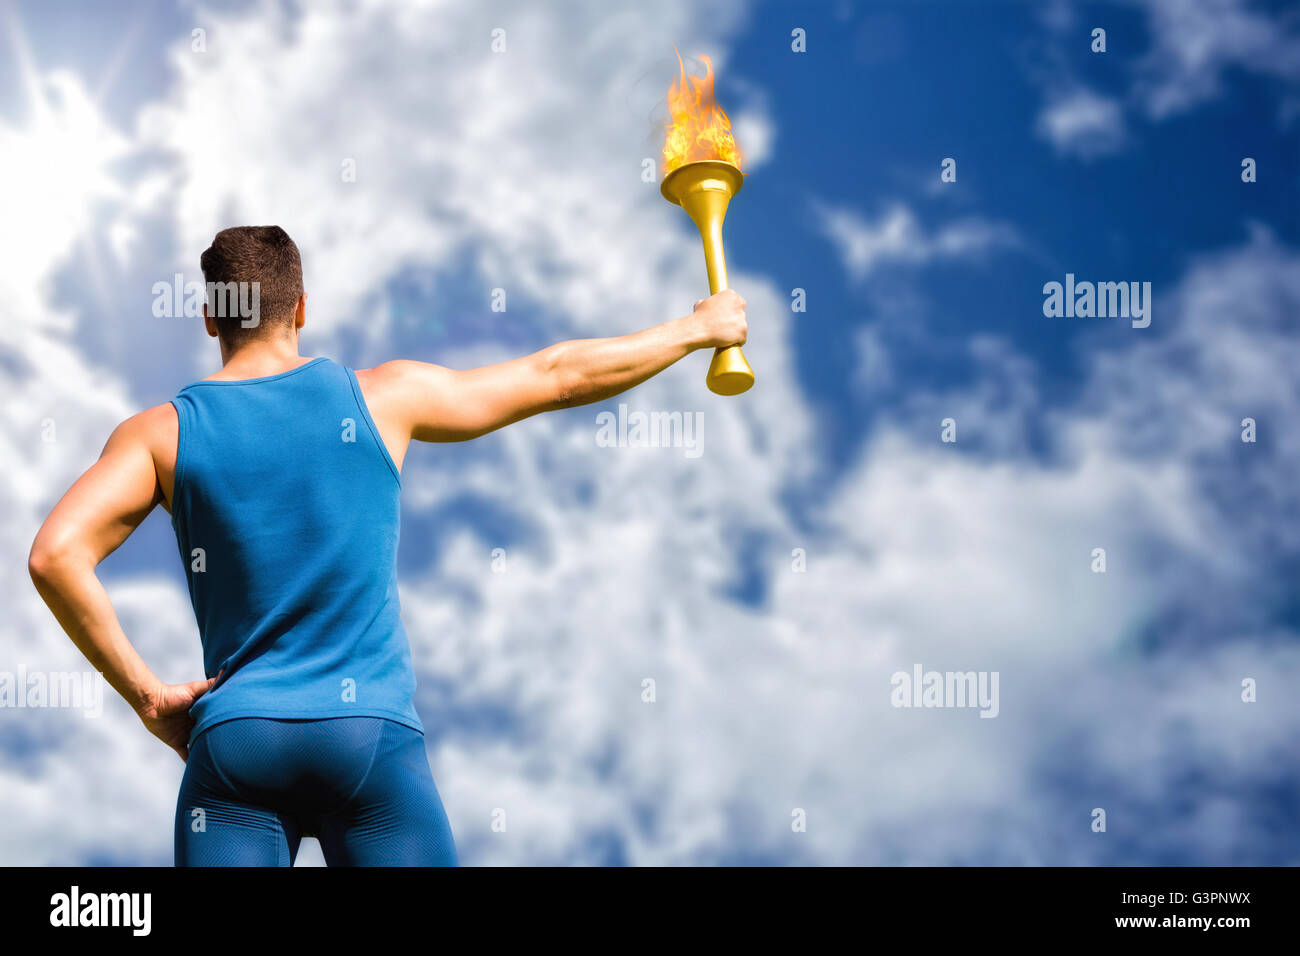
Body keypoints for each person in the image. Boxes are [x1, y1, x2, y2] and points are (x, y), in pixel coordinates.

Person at [27, 225, 747, 866]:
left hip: (238, 738)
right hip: (368, 738)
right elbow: (557, 375)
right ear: (300, 309)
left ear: (211, 316)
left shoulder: (161, 433)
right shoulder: (383, 397)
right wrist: (695, 329)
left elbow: (55, 555)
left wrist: (150, 697)